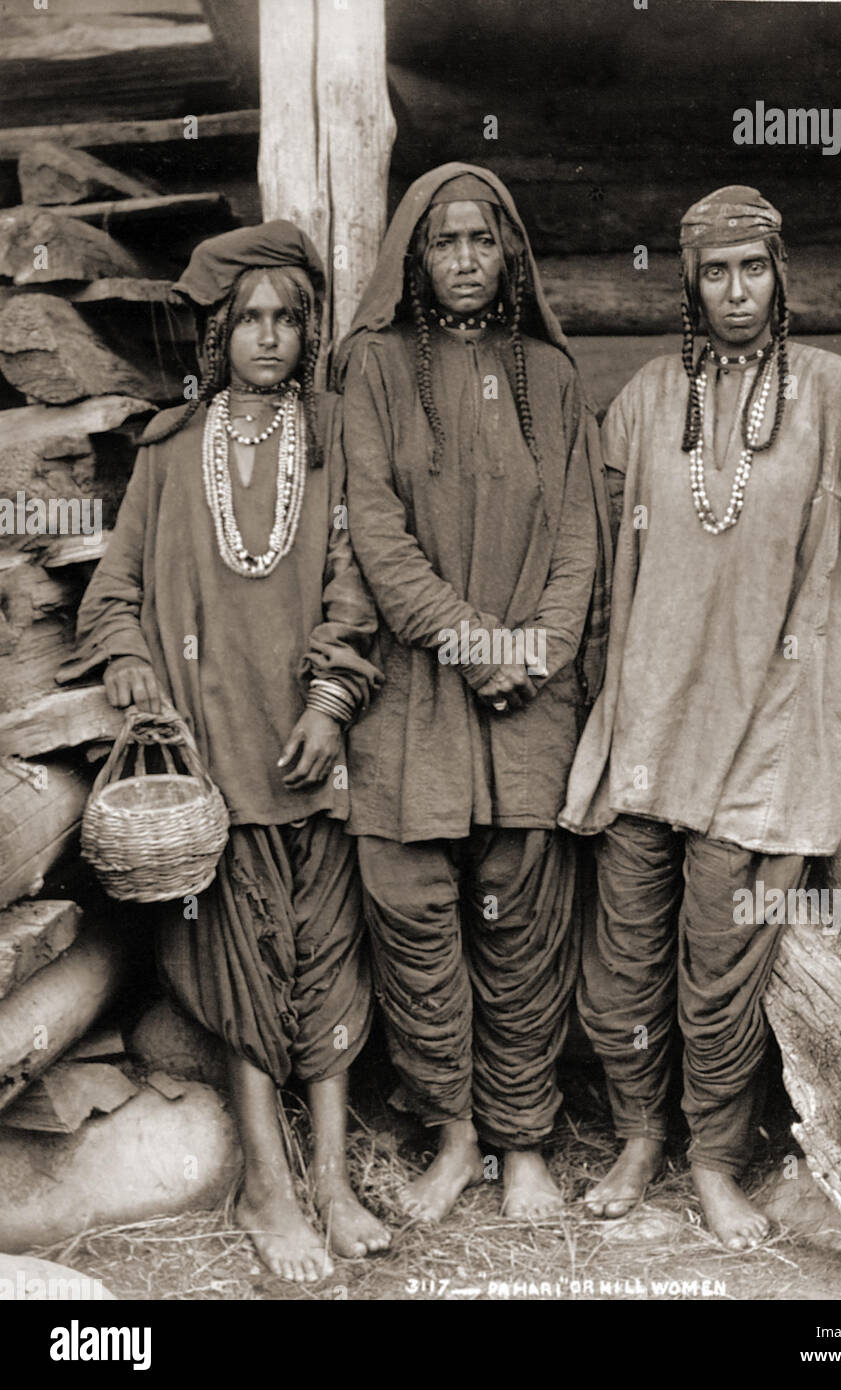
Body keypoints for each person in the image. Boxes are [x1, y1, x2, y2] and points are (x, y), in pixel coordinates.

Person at [559, 186, 841, 1249]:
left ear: (781, 275)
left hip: (773, 737)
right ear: (688, 281)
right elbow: (589, 544)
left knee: (724, 971)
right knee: (622, 966)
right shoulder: (644, 399)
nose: (735, 290)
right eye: (714, 271)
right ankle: (639, 1138)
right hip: (647, 723)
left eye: (753, 268)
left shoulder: (833, 391)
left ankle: (714, 1161)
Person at [58, 222, 388, 1281]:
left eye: (289, 318)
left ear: (307, 331)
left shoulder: (336, 439)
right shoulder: (168, 451)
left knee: (329, 963)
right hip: (215, 763)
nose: (269, 336)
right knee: (246, 970)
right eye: (248, 318)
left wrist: (333, 699)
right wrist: (130, 664)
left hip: (317, 756)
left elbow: (360, 585)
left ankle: (331, 1181)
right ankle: (265, 1186)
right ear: (216, 329)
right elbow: (113, 597)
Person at [336, 163, 611, 1222]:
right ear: (414, 256)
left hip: (527, 695)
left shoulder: (549, 371)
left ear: (509, 256)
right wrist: (465, 639)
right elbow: (374, 526)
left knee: (522, 919)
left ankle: (524, 1141)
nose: (462, 259)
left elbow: (581, 535)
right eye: (443, 241)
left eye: (481, 241)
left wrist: (530, 652)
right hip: (412, 689)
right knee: (411, 911)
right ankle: (452, 1136)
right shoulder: (372, 366)